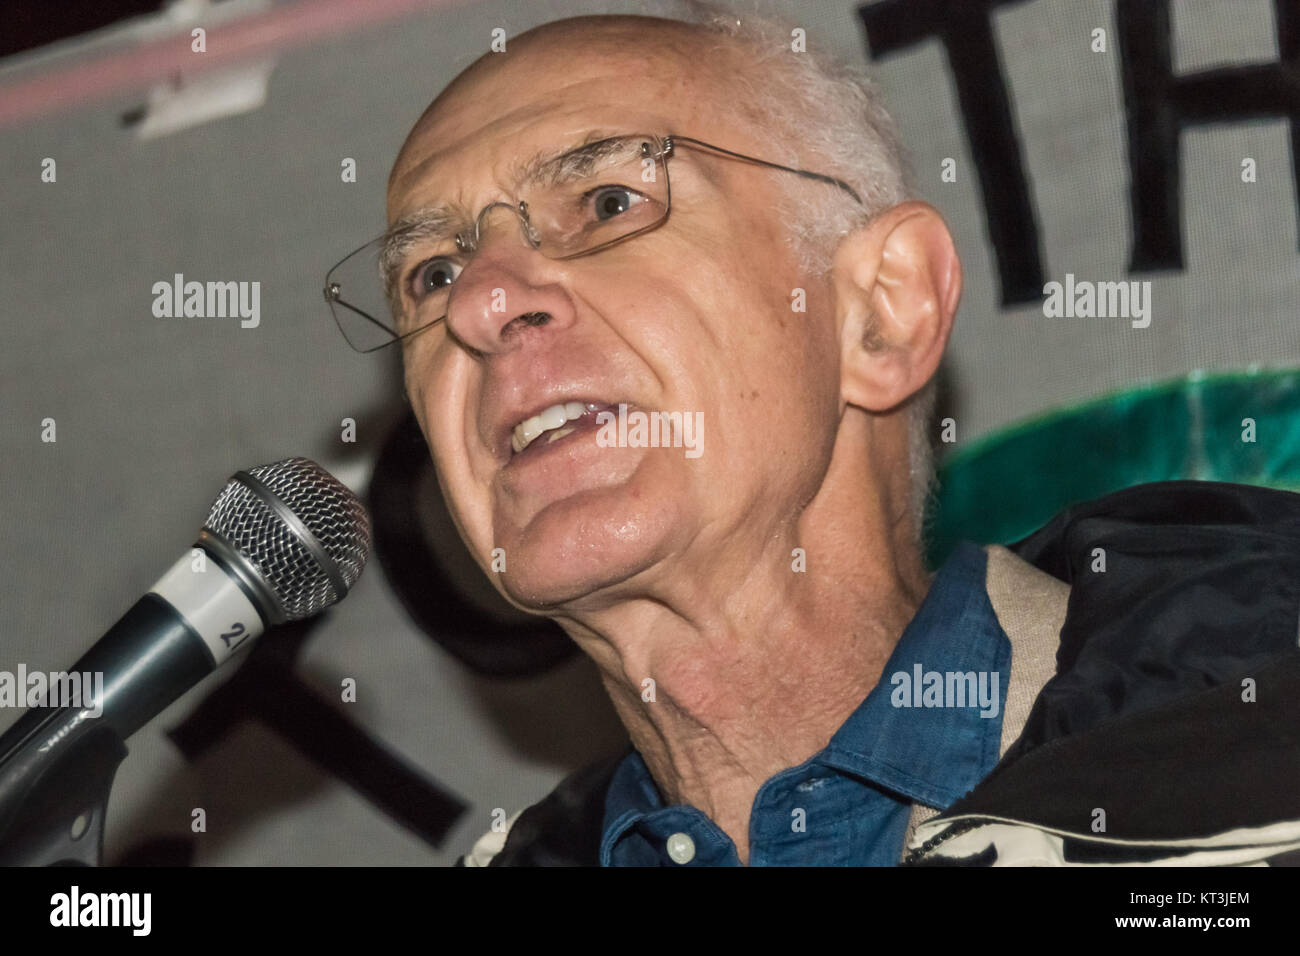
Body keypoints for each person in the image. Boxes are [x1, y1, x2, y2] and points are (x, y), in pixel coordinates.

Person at [358, 5, 1300, 866]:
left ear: (882, 312)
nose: (480, 303)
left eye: (609, 202)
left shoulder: (1260, 748)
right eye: (433, 275)